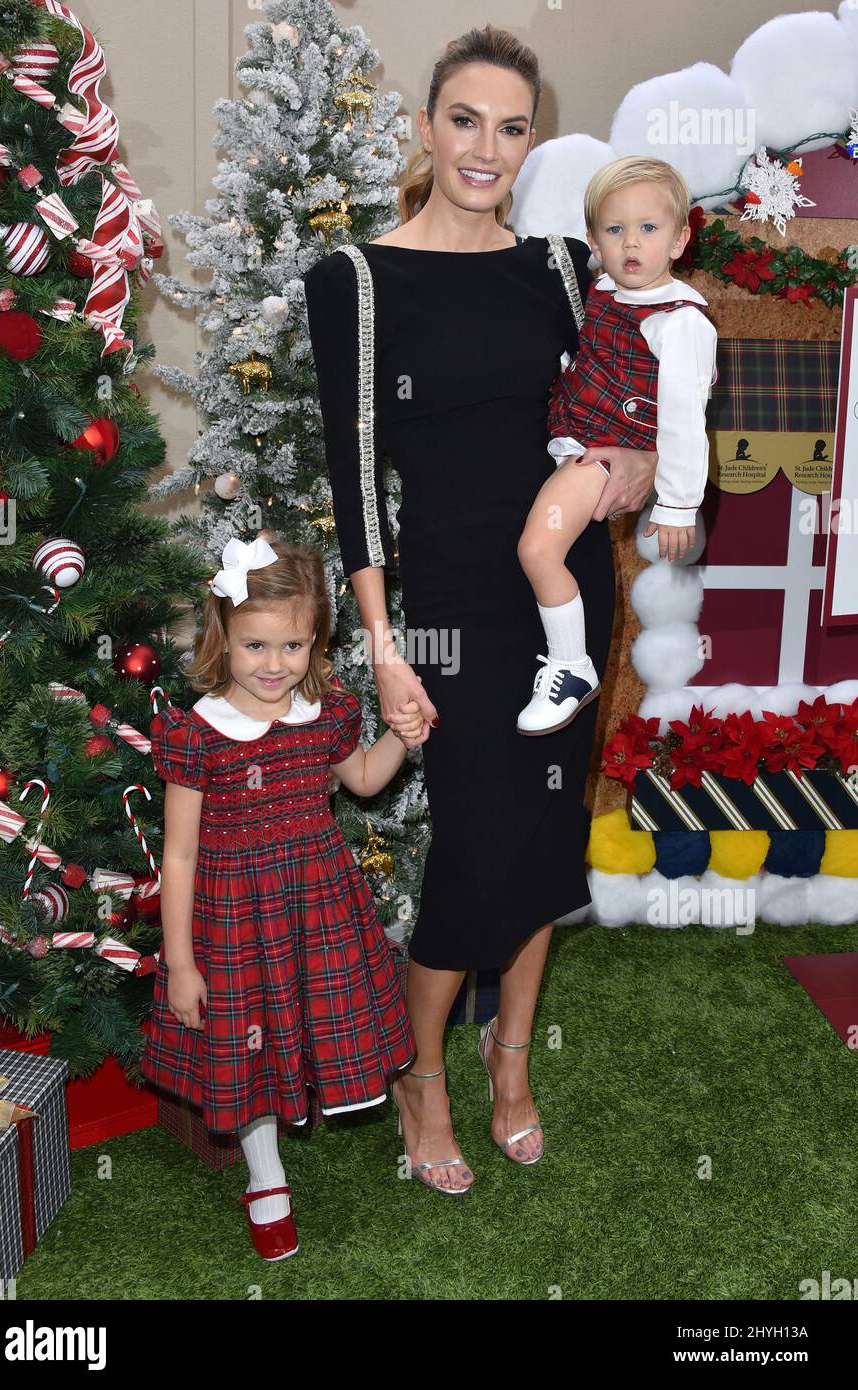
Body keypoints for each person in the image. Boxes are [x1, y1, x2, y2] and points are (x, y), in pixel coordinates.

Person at [303, 25, 659, 1195]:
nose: (486, 148)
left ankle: (512, 1063)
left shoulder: (559, 266)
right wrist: (385, 647)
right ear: (426, 125)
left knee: (547, 845)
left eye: (512, 128)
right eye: (466, 120)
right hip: (451, 605)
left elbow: (622, 412)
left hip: (562, 597)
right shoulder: (358, 278)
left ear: (530, 142)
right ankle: (426, 1077)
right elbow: (355, 475)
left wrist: (637, 470)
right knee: (473, 846)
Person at [139, 534, 418, 1260]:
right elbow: (180, 852)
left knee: (309, 1016)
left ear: (316, 639)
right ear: (222, 638)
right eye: (255, 646)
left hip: (317, 905)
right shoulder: (197, 734)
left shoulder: (325, 715)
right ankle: (266, 1178)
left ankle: (322, 1113)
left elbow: (360, 780)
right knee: (246, 1043)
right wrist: (180, 963)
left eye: (292, 646)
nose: (274, 665)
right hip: (232, 920)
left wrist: (402, 734)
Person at [515, 156, 718, 735]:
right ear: (593, 241)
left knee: (538, 551)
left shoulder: (681, 323)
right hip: (575, 433)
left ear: (680, 238)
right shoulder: (606, 289)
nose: (631, 243)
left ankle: (571, 666)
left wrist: (679, 503)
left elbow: (683, 421)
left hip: (605, 453)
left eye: (649, 229)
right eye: (615, 229)